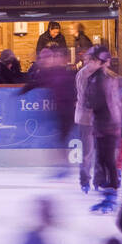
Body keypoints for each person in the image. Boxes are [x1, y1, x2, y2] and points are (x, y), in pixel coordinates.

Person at [20, 47, 75, 176]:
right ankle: (63, 166)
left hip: (68, 111)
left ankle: (64, 166)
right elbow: (38, 82)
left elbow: (74, 89)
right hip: (60, 111)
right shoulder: (51, 73)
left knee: (61, 139)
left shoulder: (67, 73)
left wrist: (75, 102)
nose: (54, 60)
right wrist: (22, 90)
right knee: (59, 139)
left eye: (56, 57)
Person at [85, 47, 122, 214]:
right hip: (102, 124)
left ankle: (113, 189)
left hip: (108, 125)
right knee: (102, 158)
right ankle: (109, 187)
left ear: (99, 62)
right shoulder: (95, 77)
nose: (87, 63)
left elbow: (100, 102)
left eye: (90, 60)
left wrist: (87, 104)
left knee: (107, 159)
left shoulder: (103, 78)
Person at [74, 46, 104, 195]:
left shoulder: (100, 73)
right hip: (86, 119)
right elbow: (85, 98)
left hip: (99, 119)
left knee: (101, 151)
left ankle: (98, 179)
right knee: (88, 152)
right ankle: (85, 180)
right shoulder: (82, 75)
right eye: (95, 61)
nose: (97, 64)